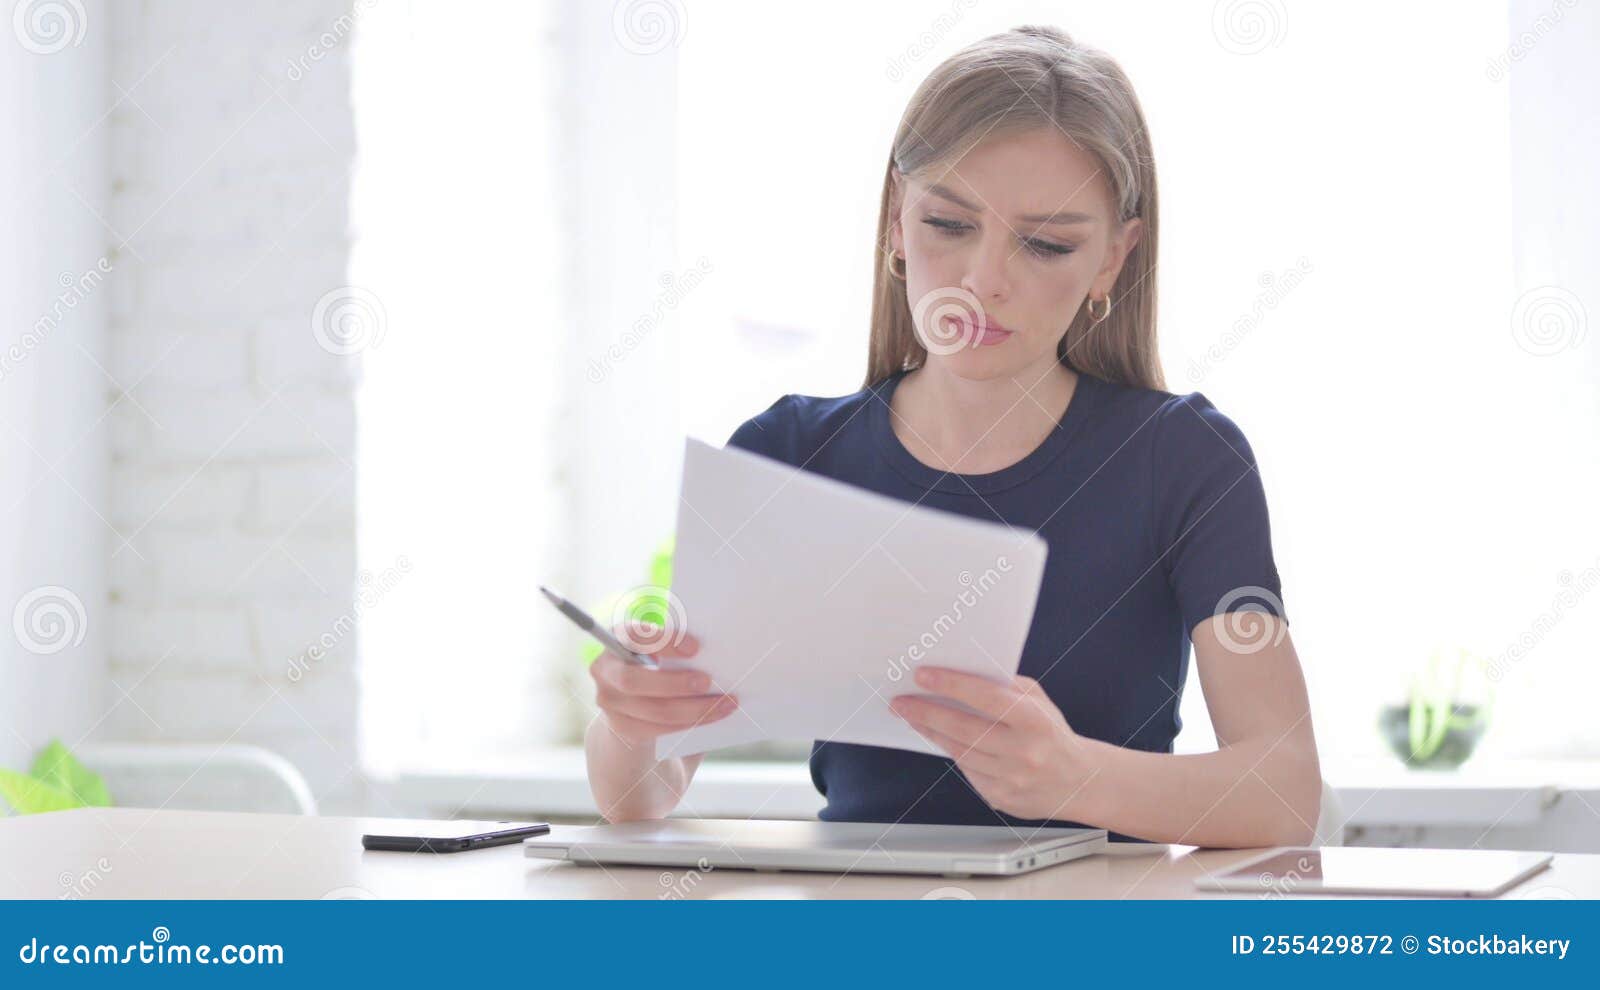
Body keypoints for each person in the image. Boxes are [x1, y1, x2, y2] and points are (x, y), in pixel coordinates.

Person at [584, 24, 1320, 848]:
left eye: (1046, 243)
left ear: (1115, 258)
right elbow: (639, 801)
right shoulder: (790, 455)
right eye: (947, 223)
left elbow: (1284, 793)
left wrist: (1075, 776)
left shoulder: (1182, 459)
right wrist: (633, 718)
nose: (984, 281)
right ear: (897, 222)